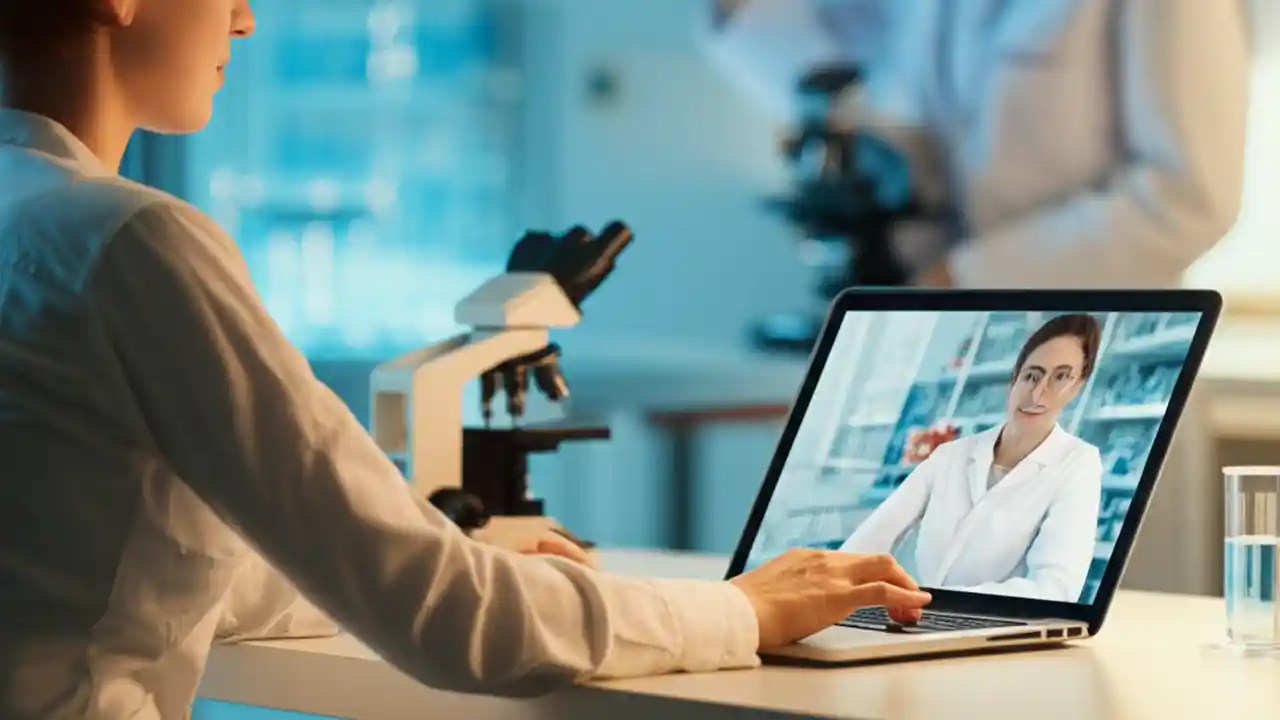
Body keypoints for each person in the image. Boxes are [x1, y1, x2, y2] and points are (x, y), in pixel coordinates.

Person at [0, 1, 936, 717]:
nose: (245, 19)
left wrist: (417, 544)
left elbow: (113, 561)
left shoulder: (28, 216)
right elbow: (452, 621)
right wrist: (743, 611)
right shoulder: (133, 241)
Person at [707, 0, 1250, 289]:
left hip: (1100, 342)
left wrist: (962, 281)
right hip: (947, 332)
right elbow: (825, 54)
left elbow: (1187, 199)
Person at [840, 314, 1105, 602]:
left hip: (997, 626)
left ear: (1078, 387)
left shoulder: (1079, 463)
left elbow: (1055, 589)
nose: (1038, 394)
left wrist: (931, 602)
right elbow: (875, 533)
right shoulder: (952, 455)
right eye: (1032, 375)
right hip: (919, 614)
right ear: (1014, 378)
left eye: (1061, 377)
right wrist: (829, 585)